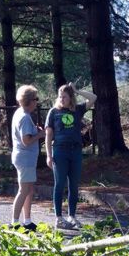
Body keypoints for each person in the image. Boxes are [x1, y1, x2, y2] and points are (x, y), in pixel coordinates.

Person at [45, 83, 96, 229]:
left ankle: (72, 216)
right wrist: (49, 155)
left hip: (75, 152)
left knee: (74, 185)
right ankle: (59, 218)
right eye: (60, 96)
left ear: (70, 98)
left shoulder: (77, 110)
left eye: (65, 96)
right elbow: (48, 136)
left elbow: (93, 98)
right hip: (60, 151)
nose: (61, 99)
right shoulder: (53, 112)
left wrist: (77, 90)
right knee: (59, 184)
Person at [10, 85, 42, 230]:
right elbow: (26, 140)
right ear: (29, 100)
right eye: (36, 99)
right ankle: (14, 222)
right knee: (24, 190)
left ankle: (27, 221)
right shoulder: (24, 117)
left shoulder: (20, 113)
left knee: (29, 189)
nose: (37, 102)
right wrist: (41, 135)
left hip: (24, 158)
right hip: (25, 158)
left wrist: (36, 132)